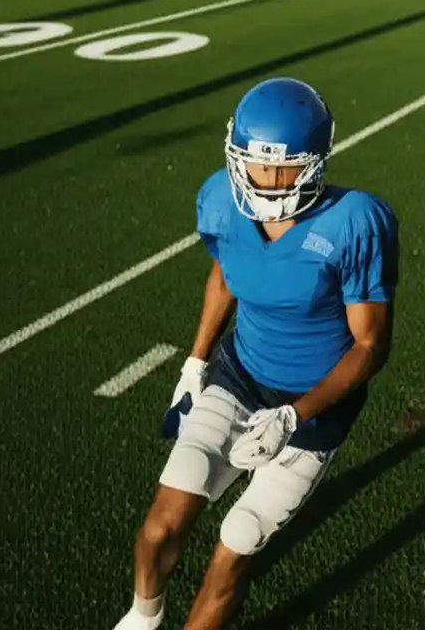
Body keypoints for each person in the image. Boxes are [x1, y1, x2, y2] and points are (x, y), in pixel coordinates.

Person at [113, 77, 399, 630]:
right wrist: (195, 361)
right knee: (157, 532)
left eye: (284, 168)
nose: (267, 183)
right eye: (256, 164)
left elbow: (371, 346)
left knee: (235, 544)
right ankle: (144, 617)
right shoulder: (220, 198)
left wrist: (296, 416)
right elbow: (225, 273)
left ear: (315, 162)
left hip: (314, 406)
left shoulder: (355, 222)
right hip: (240, 376)